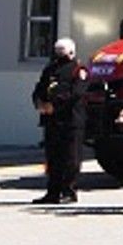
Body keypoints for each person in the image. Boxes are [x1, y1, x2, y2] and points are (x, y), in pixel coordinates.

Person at [31, 37, 87, 204]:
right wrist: (39, 103)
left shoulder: (79, 70)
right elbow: (39, 89)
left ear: (71, 52)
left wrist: (55, 105)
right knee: (53, 158)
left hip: (71, 121)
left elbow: (76, 93)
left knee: (71, 158)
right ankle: (52, 191)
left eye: (63, 52)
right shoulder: (50, 69)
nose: (60, 55)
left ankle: (68, 191)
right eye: (58, 52)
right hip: (52, 121)